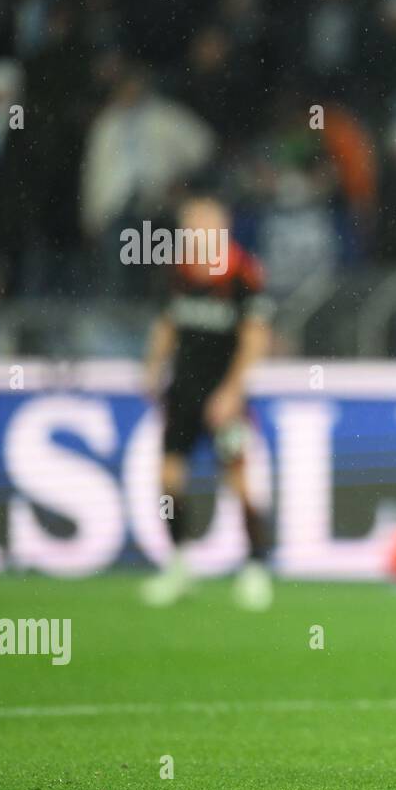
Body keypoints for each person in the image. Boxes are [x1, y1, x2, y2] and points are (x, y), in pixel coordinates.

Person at [141, 192, 275, 611]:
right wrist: (153, 365)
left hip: (224, 397)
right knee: (167, 480)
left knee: (238, 482)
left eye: (201, 226)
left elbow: (255, 338)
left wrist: (232, 392)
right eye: (189, 226)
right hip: (182, 392)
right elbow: (168, 322)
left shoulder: (242, 274)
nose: (194, 234)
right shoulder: (179, 272)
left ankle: (255, 569)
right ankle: (179, 566)